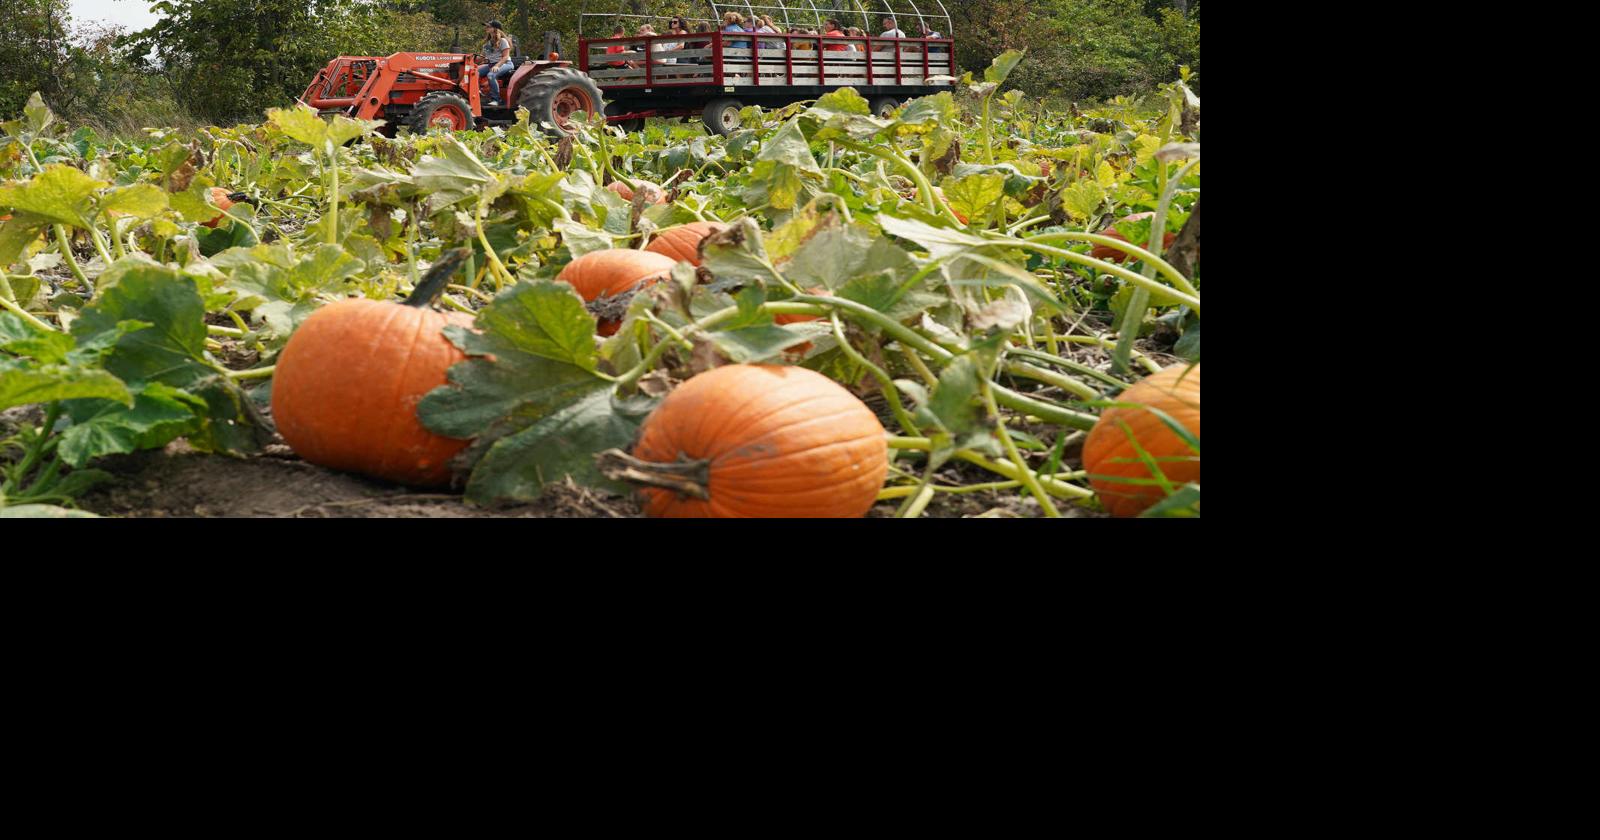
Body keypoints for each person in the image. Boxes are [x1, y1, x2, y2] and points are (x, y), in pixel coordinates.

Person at [478, 21, 515, 105]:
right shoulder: (487, 44)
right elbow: (481, 57)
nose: (486, 28)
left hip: (505, 64)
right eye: (486, 26)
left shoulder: (503, 41)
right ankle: (479, 93)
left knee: (491, 75)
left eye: (489, 26)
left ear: (495, 29)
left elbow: (505, 57)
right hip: (491, 64)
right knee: (474, 73)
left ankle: (497, 100)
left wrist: (497, 66)